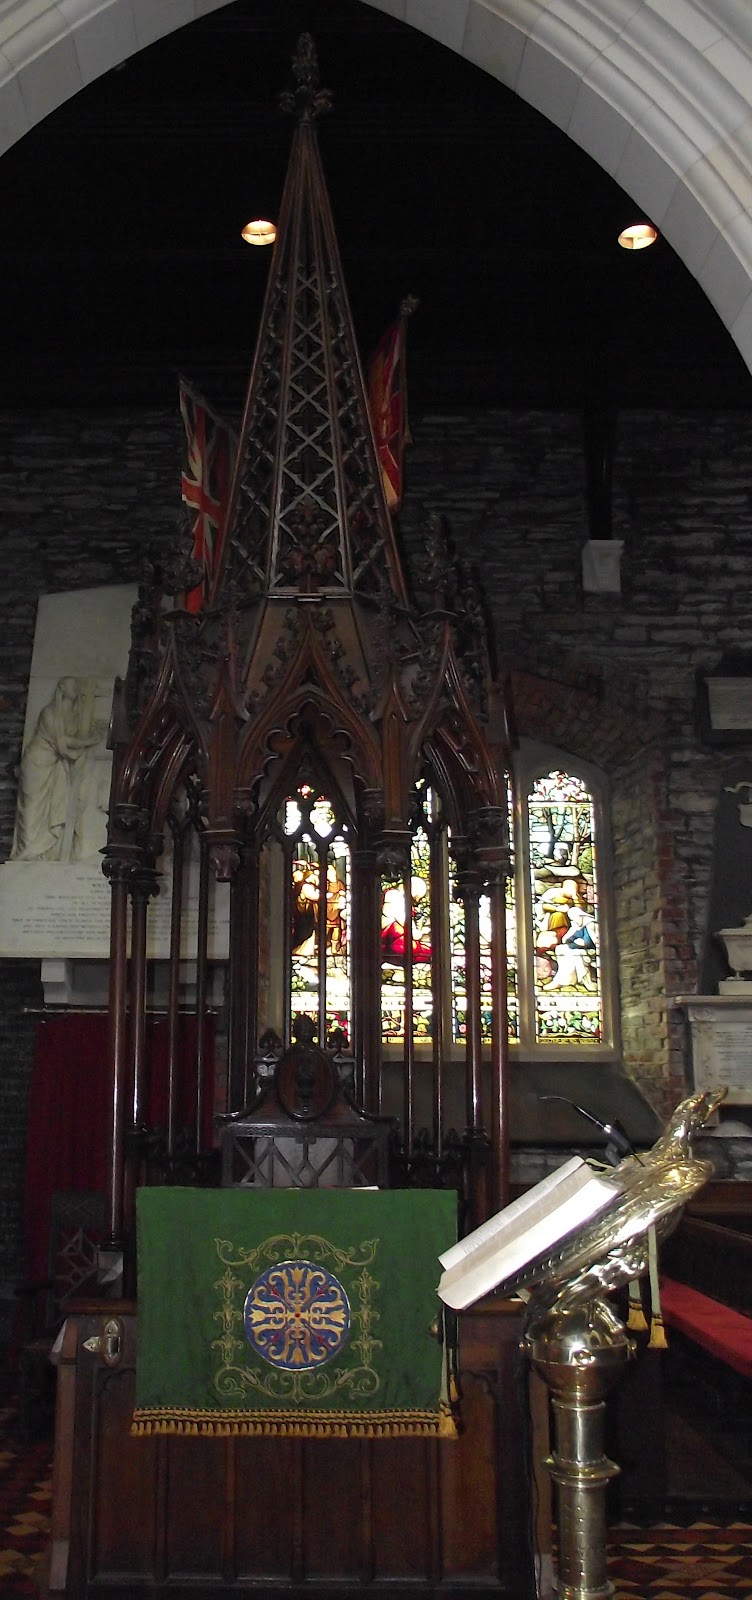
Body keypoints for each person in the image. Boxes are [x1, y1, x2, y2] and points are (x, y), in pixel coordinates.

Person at [11, 677, 103, 861]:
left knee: (55, 807)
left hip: (55, 766)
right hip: (36, 763)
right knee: (32, 808)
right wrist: (89, 741)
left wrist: (90, 736)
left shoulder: (74, 715)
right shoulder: (49, 713)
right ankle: (27, 852)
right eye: (71, 684)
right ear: (61, 687)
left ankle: (48, 852)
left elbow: (73, 739)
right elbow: (63, 743)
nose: (75, 687)